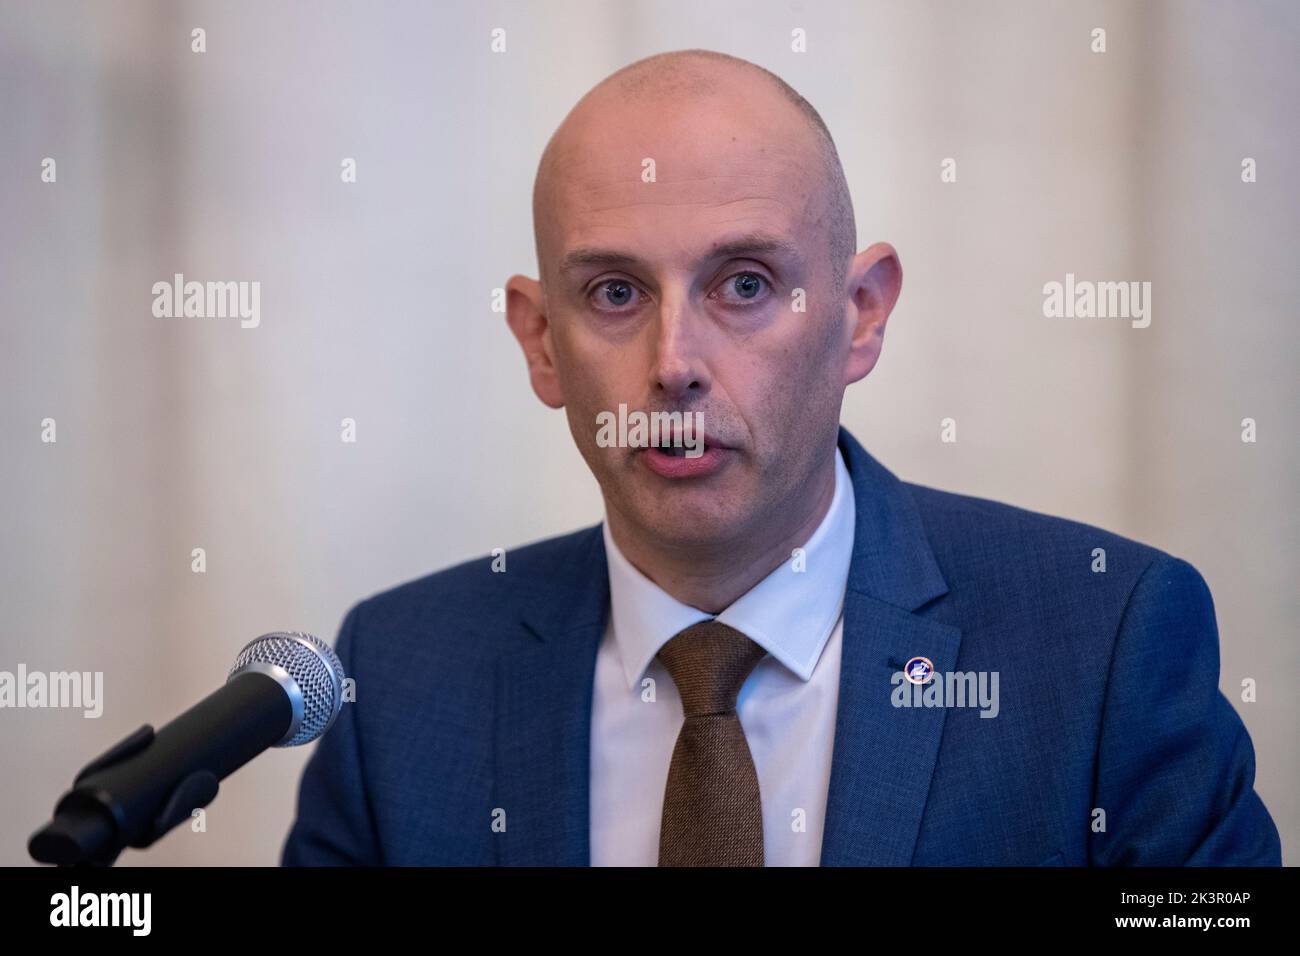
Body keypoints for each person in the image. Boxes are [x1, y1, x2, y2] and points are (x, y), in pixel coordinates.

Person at [281, 49, 1280, 866]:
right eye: (616, 295)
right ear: (541, 340)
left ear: (860, 314)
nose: (673, 365)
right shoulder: (404, 683)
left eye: (746, 284)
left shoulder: (1101, 647)